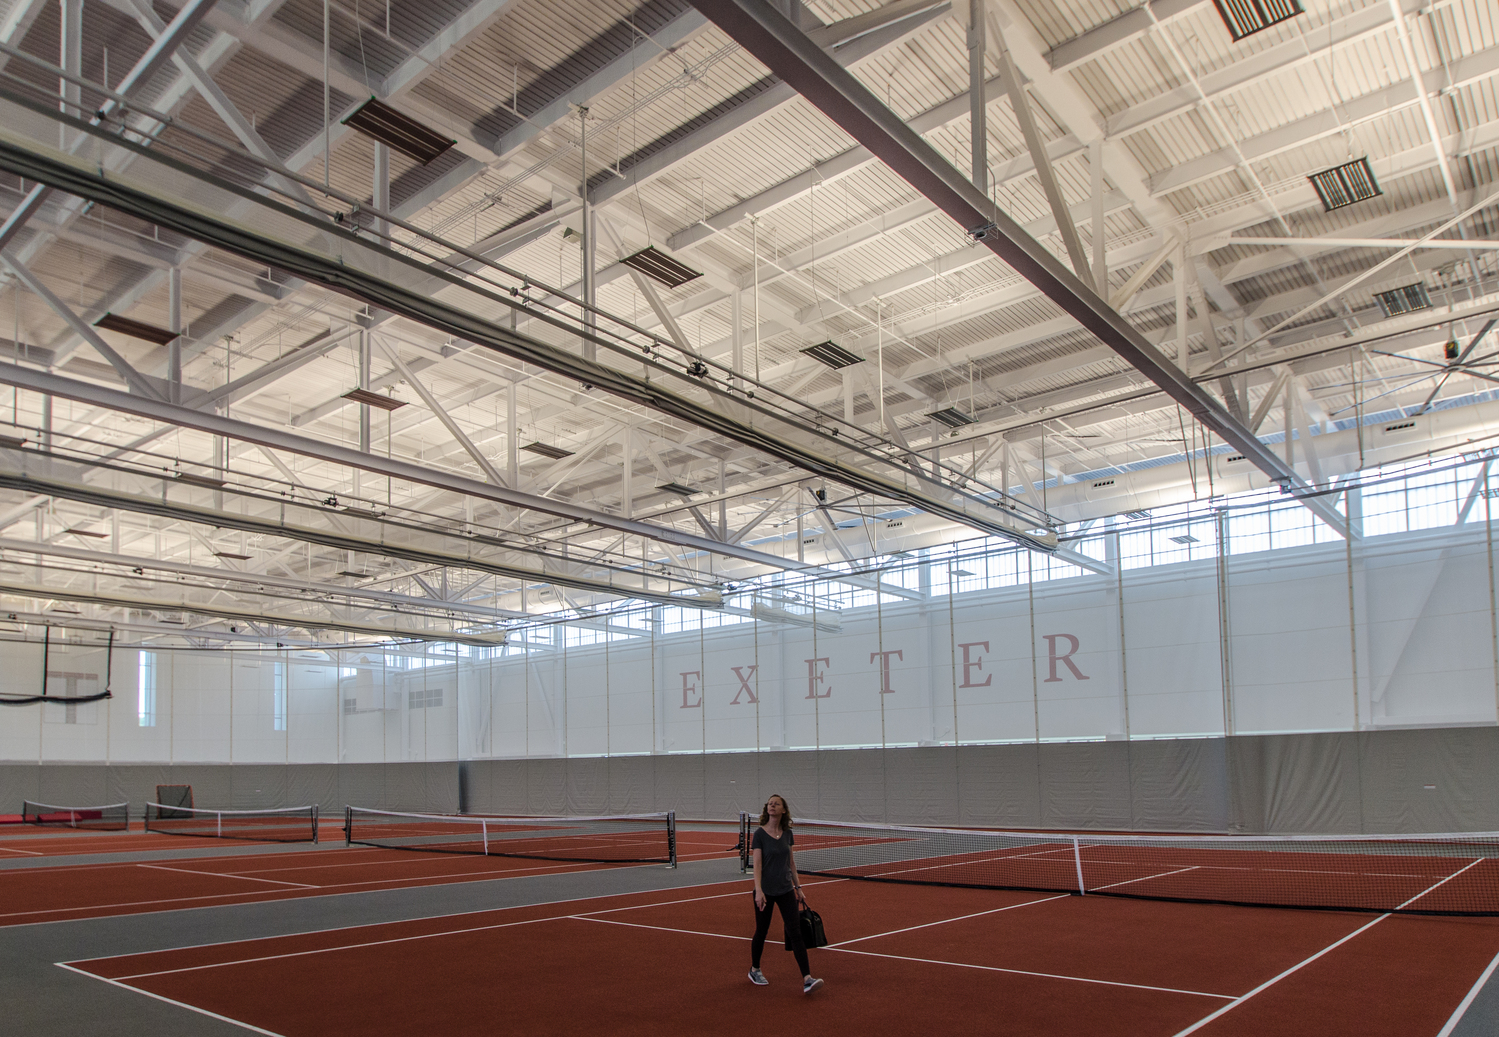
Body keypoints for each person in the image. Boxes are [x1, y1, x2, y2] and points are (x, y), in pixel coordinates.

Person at [747, 794, 824, 994]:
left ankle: (807, 978)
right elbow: (756, 865)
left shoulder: (787, 834)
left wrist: (798, 888)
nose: (772, 806)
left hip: (785, 890)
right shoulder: (759, 835)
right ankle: (755, 969)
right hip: (765, 891)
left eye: (776, 803)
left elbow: (791, 863)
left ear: (783, 810)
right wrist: (759, 891)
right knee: (761, 932)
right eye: (770, 803)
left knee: (795, 932)